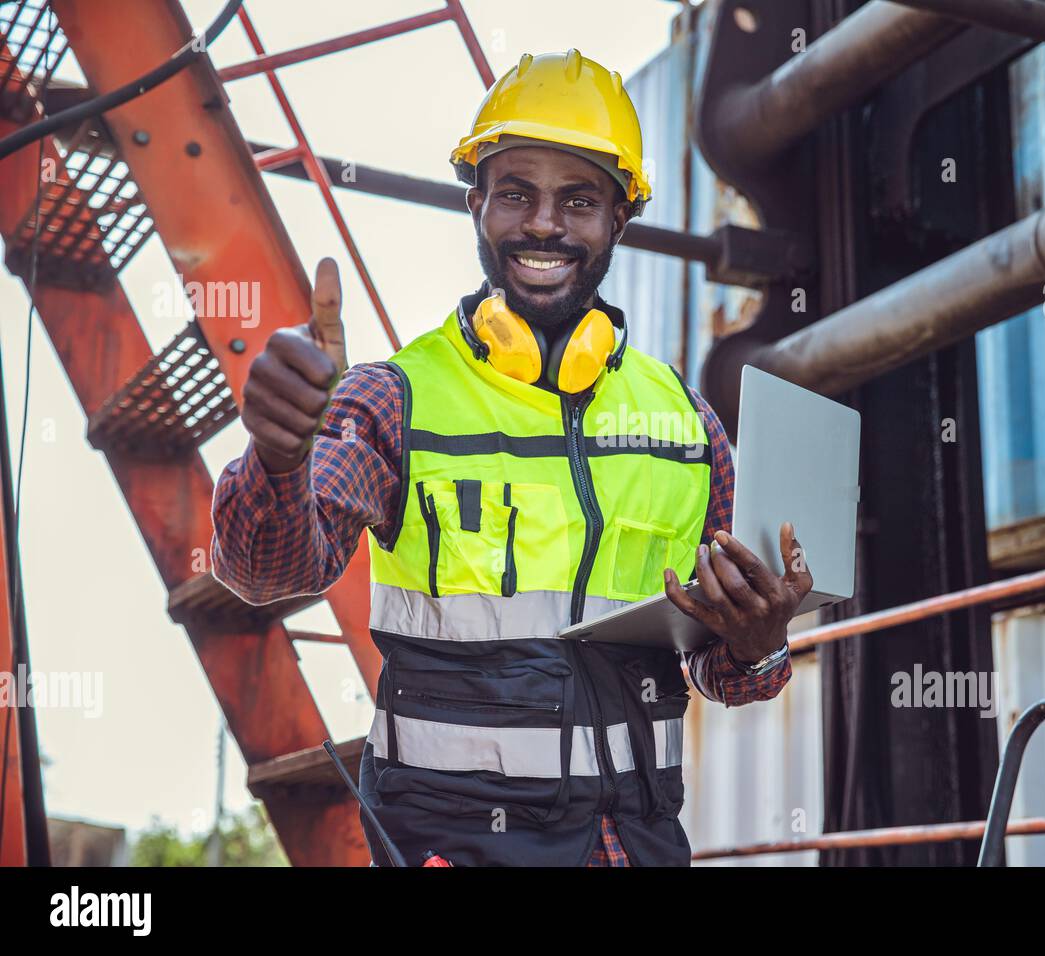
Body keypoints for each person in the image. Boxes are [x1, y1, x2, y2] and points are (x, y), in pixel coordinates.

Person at [211, 49, 811, 866]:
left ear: (617, 222)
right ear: (477, 207)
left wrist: (758, 641)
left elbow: (719, 671)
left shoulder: (687, 425)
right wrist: (275, 459)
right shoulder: (395, 399)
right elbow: (269, 573)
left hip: (637, 848)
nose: (543, 224)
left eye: (579, 200)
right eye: (516, 194)